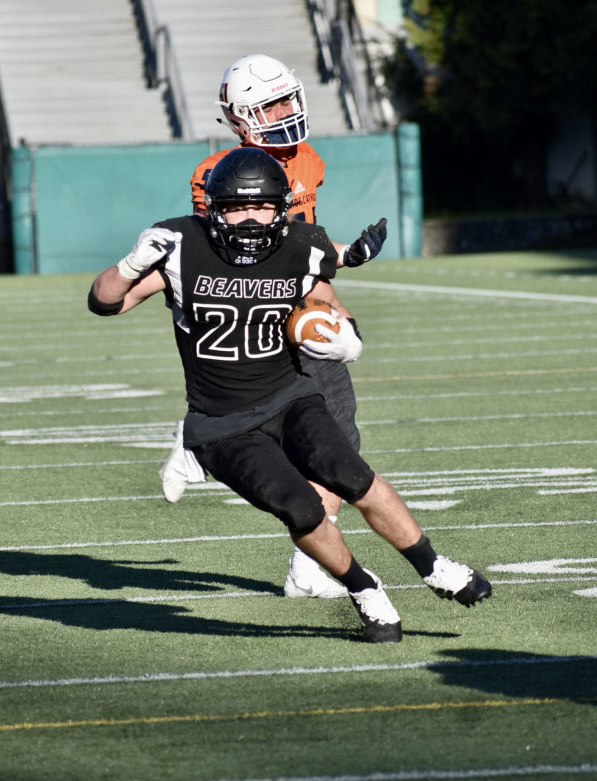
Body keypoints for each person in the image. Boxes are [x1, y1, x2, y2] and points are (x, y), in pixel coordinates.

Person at [87, 147, 491, 642]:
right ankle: (365, 590)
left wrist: (344, 332)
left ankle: (434, 568)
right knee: (300, 510)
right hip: (221, 424)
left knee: (352, 476)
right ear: (214, 209)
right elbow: (105, 302)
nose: (251, 218)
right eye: (237, 206)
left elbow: (324, 295)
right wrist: (130, 263)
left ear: (282, 208)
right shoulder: (182, 244)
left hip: (288, 397)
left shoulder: (302, 244)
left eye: (261, 206)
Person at [160, 53, 387, 602]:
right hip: (244, 314)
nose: (286, 111)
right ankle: (195, 436)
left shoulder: (307, 162)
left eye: (288, 98)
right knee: (314, 441)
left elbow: (301, 246)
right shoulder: (214, 176)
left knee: (338, 438)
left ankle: (306, 566)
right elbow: (235, 252)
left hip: (292, 306)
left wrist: (341, 278)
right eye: (271, 105)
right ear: (239, 119)